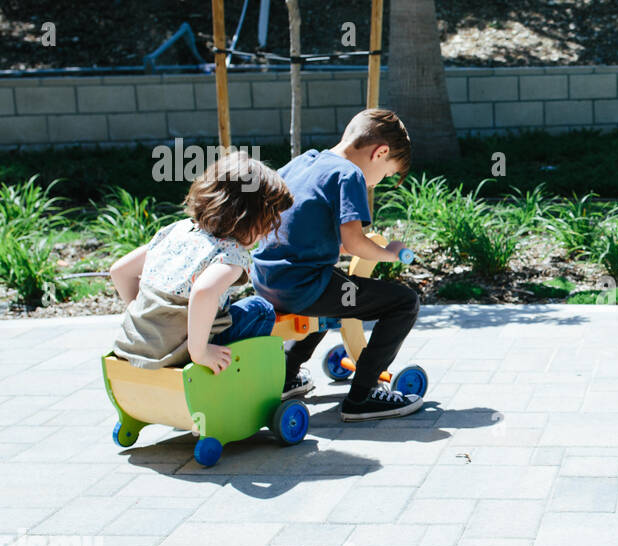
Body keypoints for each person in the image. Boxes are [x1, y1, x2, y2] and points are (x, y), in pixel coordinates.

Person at [252, 108, 422, 422]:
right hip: (303, 285)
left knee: (335, 291)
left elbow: (319, 233)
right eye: (383, 176)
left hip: (265, 278)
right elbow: (354, 242)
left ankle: (286, 378)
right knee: (404, 303)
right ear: (380, 152)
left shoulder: (303, 162)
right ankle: (362, 397)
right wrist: (393, 253)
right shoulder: (350, 174)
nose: (375, 184)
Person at [110, 152, 292, 372]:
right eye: (268, 222)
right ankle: (236, 375)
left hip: (132, 347)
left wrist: (142, 318)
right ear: (247, 217)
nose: (268, 231)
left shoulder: (177, 230)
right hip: (176, 352)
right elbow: (204, 291)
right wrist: (200, 352)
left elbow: (119, 271)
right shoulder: (231, 254)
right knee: (260, 309)